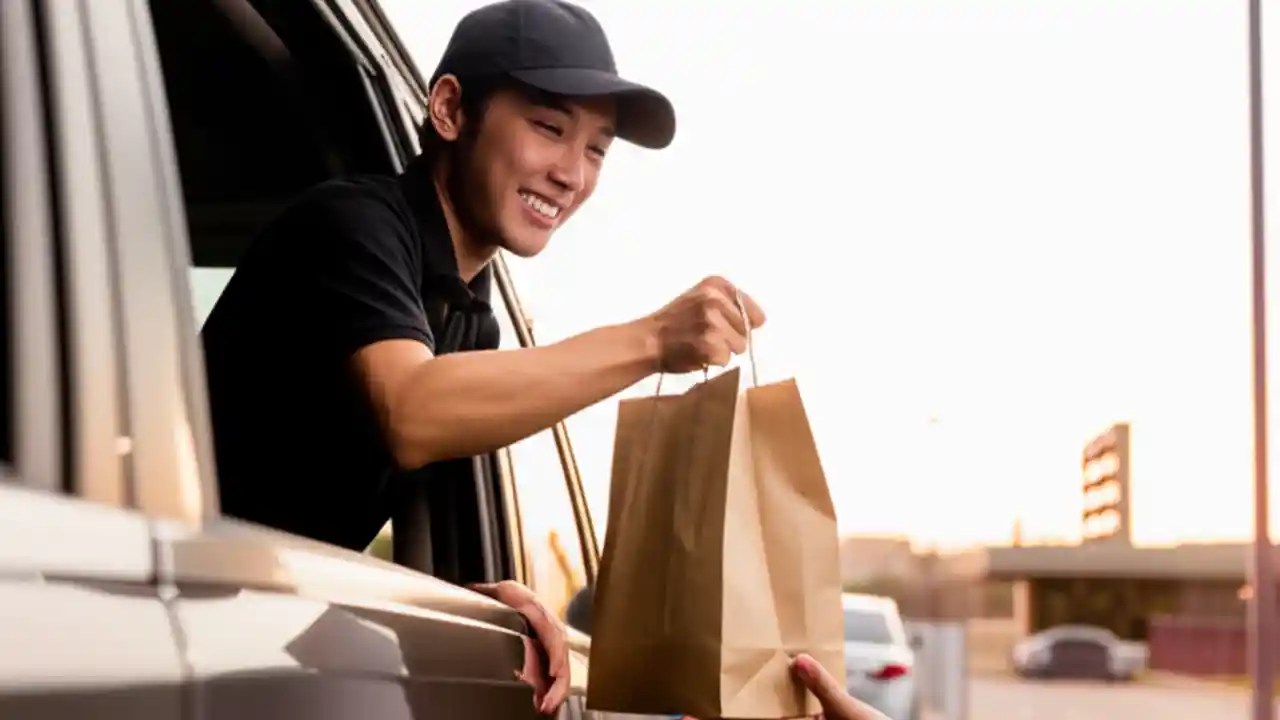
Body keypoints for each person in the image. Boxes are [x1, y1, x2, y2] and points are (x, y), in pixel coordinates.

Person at [198, 0, 764, 715]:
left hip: (254, 635)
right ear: (449, 108)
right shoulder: (350, 225)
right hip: (180, 611)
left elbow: (424, 518)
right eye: (549, 127)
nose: (572, 174)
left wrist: (480, 597)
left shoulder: (469, 320)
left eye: (596, 149)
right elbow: (414, 410)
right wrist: (652, 341)